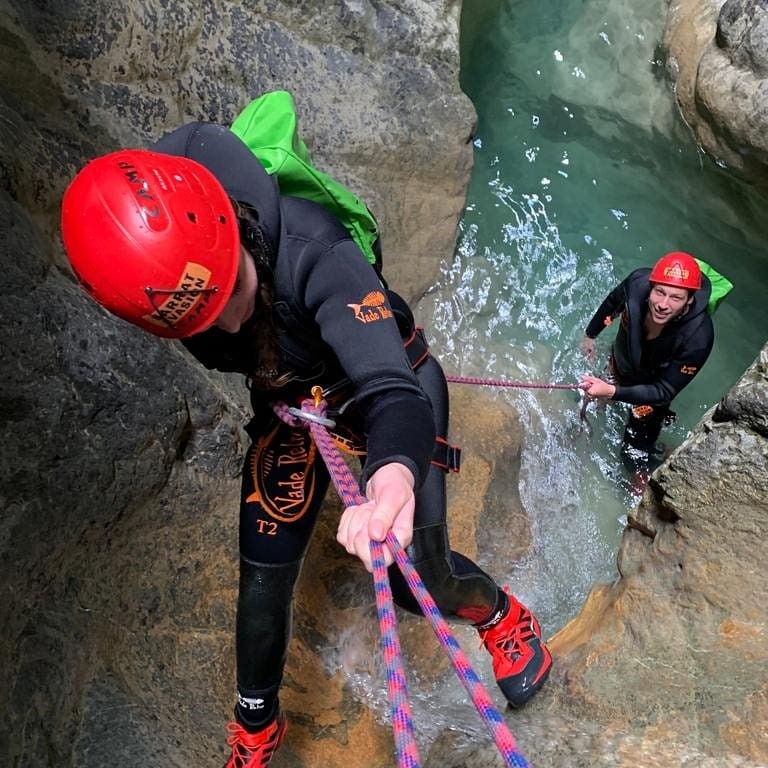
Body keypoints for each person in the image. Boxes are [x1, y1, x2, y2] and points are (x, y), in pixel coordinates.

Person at [60, 120, 552, 767]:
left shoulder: (315, 250)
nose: (231, 319)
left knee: (420, 578)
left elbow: (391, 390)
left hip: (387, 383)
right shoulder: (169, 281)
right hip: (294, 406)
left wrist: (393, 475)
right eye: (203, 319)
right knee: (262, 575)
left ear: (229, 227)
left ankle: (501, 615)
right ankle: (257, 724)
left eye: (232, 288)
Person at [579, 252, 714, 456]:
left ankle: (659, 453)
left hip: (651, 394)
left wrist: (611, 391)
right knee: (586, 404)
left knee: (634, 452)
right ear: (651, 287)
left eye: (676, 297)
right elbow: (612, 305)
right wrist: (590, 335)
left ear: (689, 301)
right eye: (660, 292)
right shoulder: (636, 285)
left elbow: (664, 390)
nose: (663, 304)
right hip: (620, 364)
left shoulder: (698, 337)